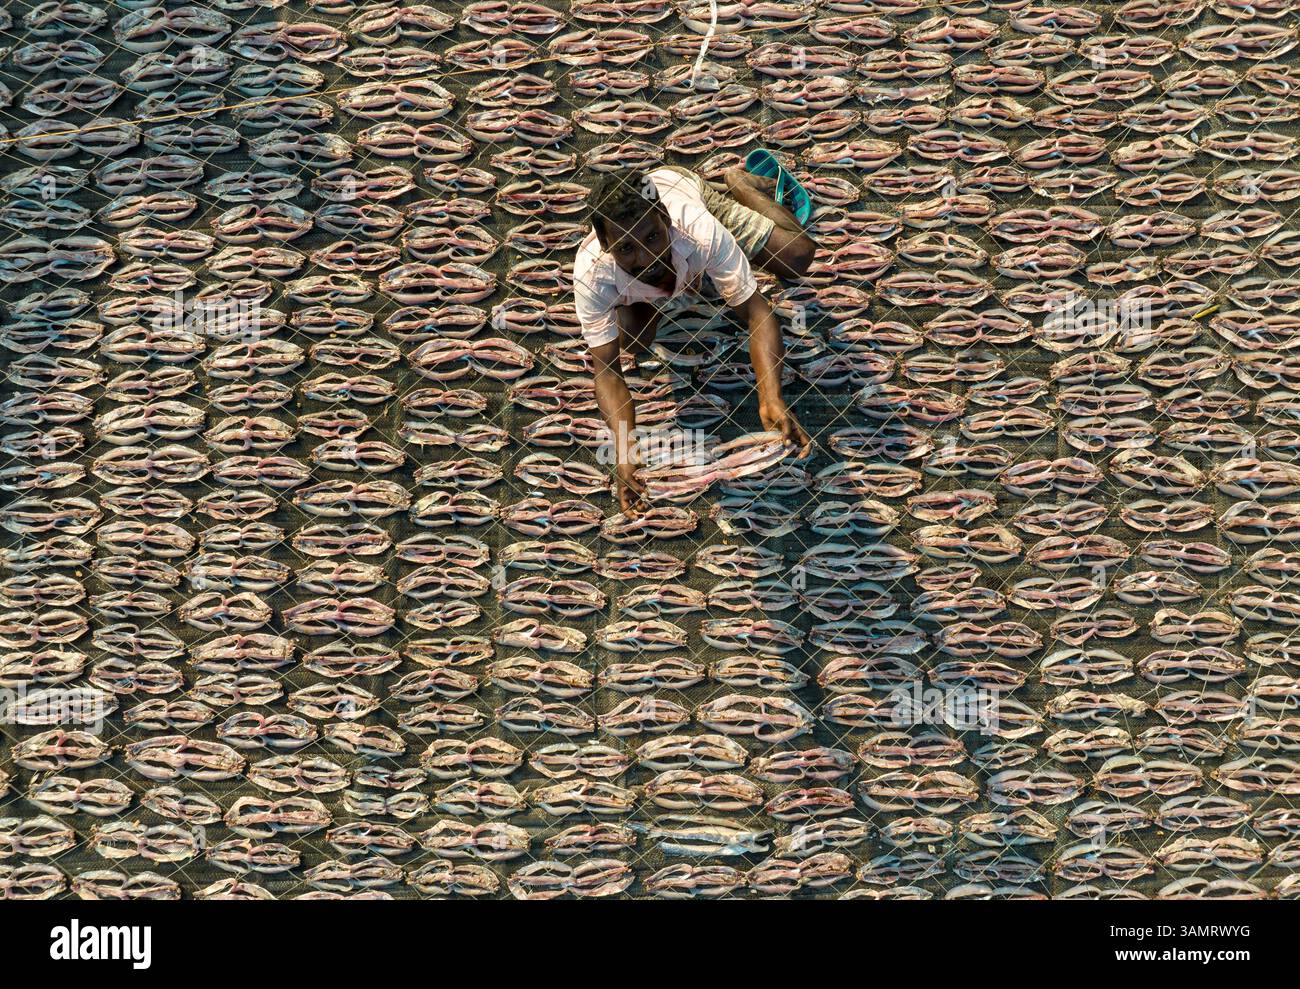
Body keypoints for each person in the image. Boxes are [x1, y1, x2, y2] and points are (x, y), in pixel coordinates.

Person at [574, 163, 817, 514]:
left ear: (664, 217)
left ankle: (739, 183)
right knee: (633, 341)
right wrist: (625, 453)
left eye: (652, 237)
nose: (646, 257)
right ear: (604, 243)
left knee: (796, 256)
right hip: (661, 270)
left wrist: (771, 397)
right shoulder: (591, 273)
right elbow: (609, 372)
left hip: (685, 189)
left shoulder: (699, 228)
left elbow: (756, 313)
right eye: (625, 248)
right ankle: (674, 289)